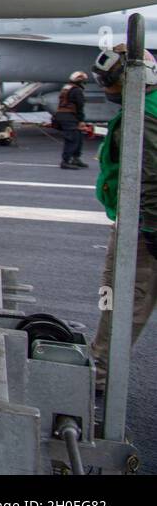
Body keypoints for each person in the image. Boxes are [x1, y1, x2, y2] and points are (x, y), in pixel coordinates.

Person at [88, 45, 157, 389]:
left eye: (108, 80)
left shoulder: (143, 115)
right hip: (142, 222)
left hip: (142, 228)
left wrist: (150, 228)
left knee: (124, 300)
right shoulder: (146, 108)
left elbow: (150, 176)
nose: (105, 88)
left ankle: (99, 376)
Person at [53, 71, 89, 169]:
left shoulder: (66, 87)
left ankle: (75, 158)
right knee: (72, 139)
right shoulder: (77, 91)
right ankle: (66, 161)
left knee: (78, 136)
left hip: (63, 115)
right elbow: (80, 105)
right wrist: (81, 120)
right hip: (69, 116)